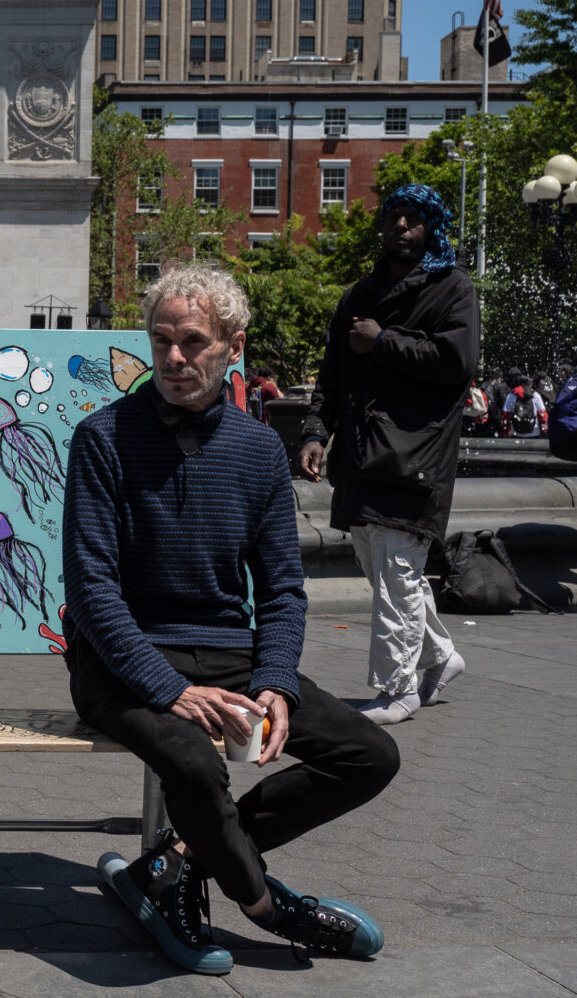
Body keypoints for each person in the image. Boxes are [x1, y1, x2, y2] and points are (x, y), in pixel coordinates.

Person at [66, 264, 397, 975]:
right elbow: (91, 591)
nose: (175, 359)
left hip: (227, 656)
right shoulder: (102, 439)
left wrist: (276, 682)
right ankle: (268, 907)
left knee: (369, 755)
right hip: (117, 666)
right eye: (161, 342)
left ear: (233, 347)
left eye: (193, 342)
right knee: (193, 759)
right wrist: (172, 691)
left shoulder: (257, 451)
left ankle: (176, 863)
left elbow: (281, 590)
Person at [299, 184, 479, 726]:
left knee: (398, 568)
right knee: (381, 568)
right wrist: (313, 431)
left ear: (432, 229)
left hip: (413, 456)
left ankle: (397, 690)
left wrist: (383, 341)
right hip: (359, 458)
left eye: (414, 219)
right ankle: (442, 657)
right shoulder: (359, 296)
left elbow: (456, 362)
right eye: (394, 217)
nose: (401, 227)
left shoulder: (453, 288)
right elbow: (331, 376)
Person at [500, 367, 547, 438]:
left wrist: (505, 431)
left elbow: (505, 415)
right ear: (529, 384)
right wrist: (544, 431)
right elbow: (542, 415)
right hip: (534, 432)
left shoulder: (511, 395)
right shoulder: (535, 395)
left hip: (516, 432)